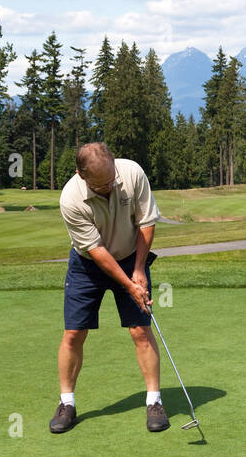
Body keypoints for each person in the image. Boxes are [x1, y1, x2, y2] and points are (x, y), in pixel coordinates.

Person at [50, 141, 169, 434]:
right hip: (88, 264)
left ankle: (154, 401)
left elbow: (146, 222)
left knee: (141, 330)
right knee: (74, 332)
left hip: (131, 257)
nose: (108, 188)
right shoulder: (70, 199)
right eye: (100, 185)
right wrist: (128, 284)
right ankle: (67, 403)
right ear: (81, 174)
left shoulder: (131, 173)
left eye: (111, 181)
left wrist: (139, 269)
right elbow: (97, 251)